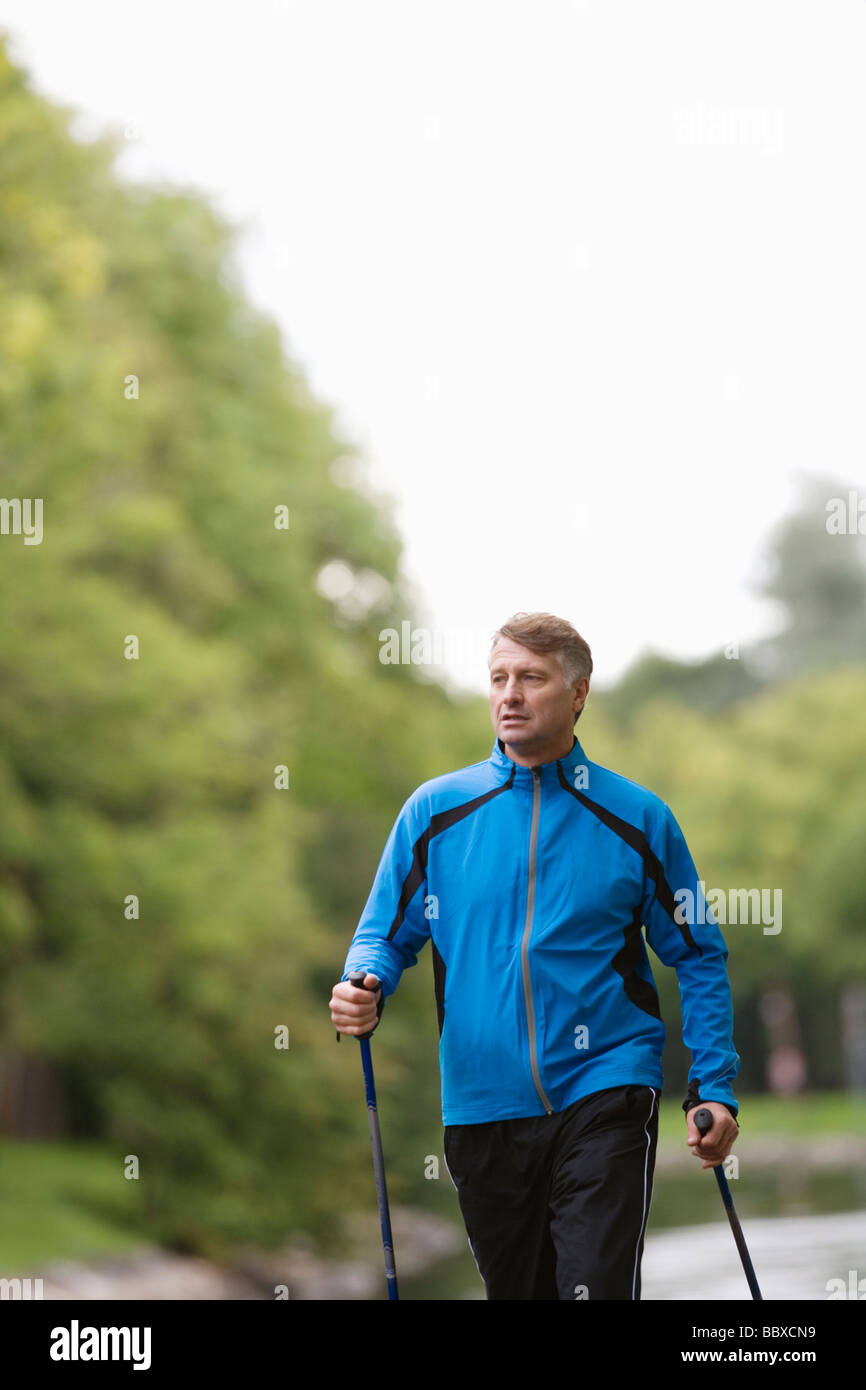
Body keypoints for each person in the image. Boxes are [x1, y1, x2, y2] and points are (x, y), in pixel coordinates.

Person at [330, 611, 740, 1300]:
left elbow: (699, 954)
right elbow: (382, 934)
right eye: (499, 679)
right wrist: (360, 982)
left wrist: (716, 1086)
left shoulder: (637, 819)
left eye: (531, 678)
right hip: (481, 1104)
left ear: (578, 694)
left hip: (606, 1086)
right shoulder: (436, 813)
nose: (510, 695)